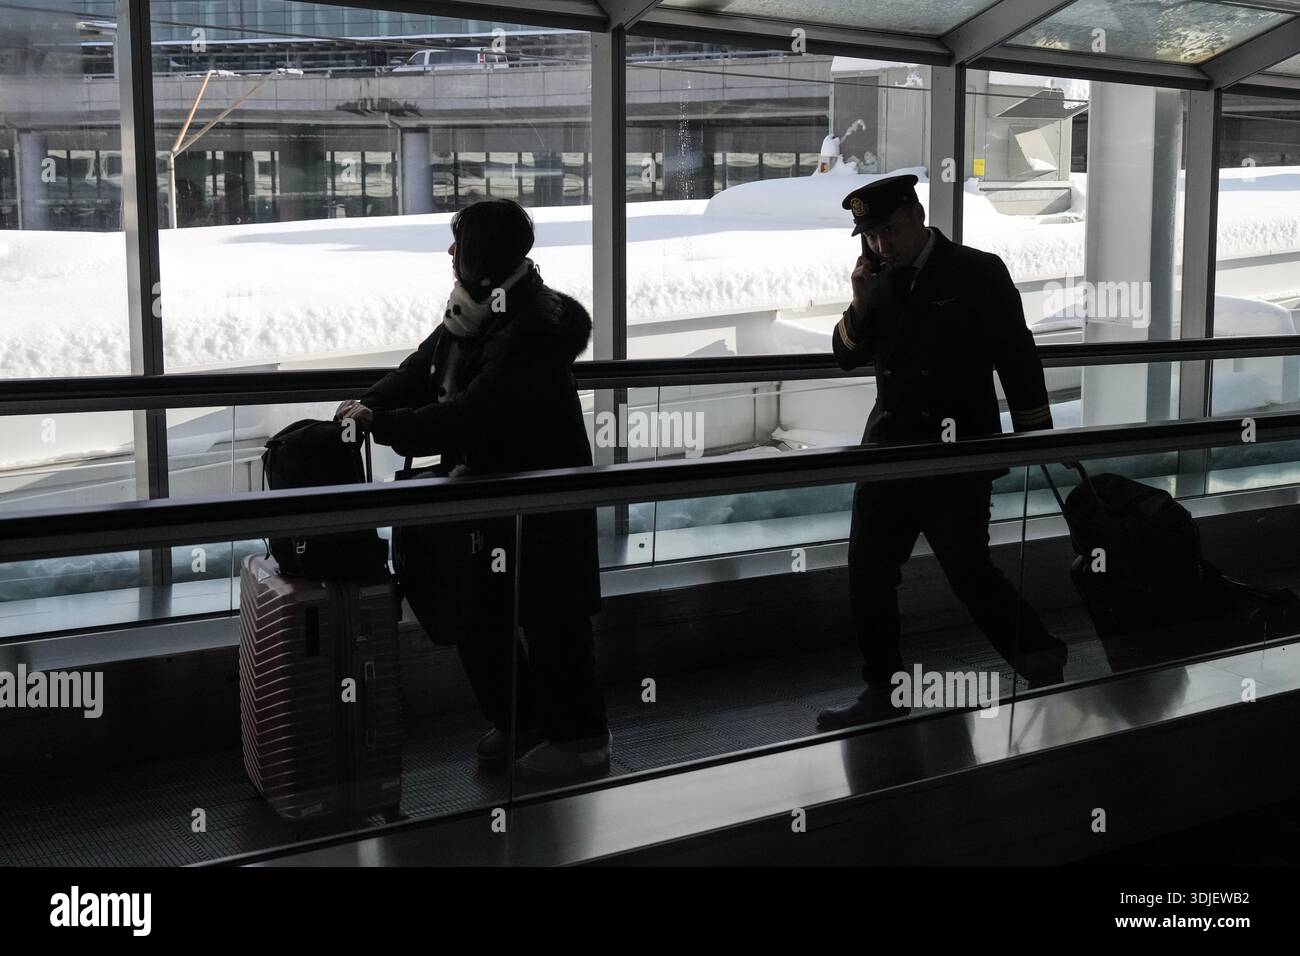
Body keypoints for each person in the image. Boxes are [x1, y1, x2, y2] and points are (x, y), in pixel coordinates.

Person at [336, 198, 610, 781]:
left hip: (542, 499)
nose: (451, 252)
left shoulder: (531, 326)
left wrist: (381, 425)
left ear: (484, 254)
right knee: (481, 611)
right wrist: (370, 403)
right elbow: (422, 367)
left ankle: (583, 741)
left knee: (552, 619)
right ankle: (525, 719)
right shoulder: (480, 309)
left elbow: (469, 414)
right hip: (489, 496)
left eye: (460, 242)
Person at [818, 174, 1069, 730]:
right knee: (868, 572)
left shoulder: (978, 270)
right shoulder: (878, 280)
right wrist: (859, 305)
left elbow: (1017, 356)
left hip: (956, 455)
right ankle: (883, 690)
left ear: (916, 212)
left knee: (968, 571)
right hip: (888, 452)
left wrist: (1035, 432)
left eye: (889, 229)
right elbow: (844, 355)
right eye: (871, 234)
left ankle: (1042, 659)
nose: (882, 243)